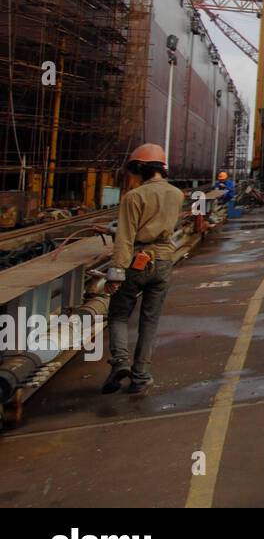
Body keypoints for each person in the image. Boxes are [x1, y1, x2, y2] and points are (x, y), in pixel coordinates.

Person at [102, 143, 184, 395]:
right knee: (150, 320)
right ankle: (141, 376)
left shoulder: (133, 197)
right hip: (164, 261)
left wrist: (116, 273)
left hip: (138, 260)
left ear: (139, 168)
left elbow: (126, 238)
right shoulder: (176, 194)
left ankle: (119, 362)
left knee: (118, 314)